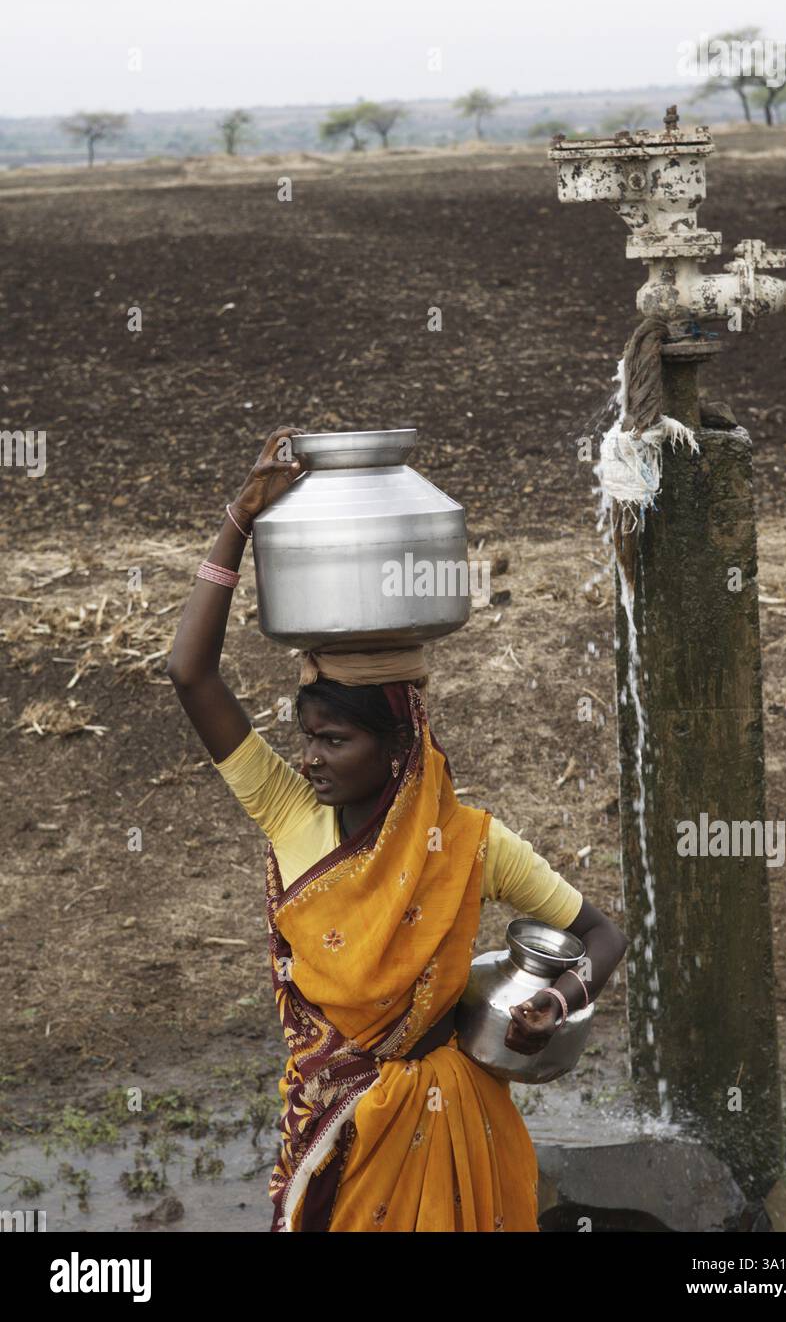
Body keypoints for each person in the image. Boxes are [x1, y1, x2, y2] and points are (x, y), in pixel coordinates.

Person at [168, 427, 629, 1232]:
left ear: (398, 750)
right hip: (328, 1124)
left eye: (334, 741)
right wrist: (238, 522)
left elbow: (600, 935)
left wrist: (559, 1001)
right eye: (305, 736)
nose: (308, 759)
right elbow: (189, 673)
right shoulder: (288, 811)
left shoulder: (471, 842)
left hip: (446, 1119)